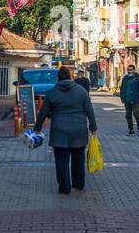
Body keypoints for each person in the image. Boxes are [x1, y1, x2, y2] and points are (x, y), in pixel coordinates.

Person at [35, 66, 98, 195]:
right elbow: (89, 111)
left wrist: (37, 128)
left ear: (58, 78)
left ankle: (64, 187)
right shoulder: (81, 91)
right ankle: (78, 184)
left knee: (61, 160)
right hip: (79, 131)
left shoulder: (52, 92)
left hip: (59, 131)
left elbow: (43, 113)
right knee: (78, 159)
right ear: (70, 77)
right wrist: (93, 127)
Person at [118, 62, 139, 137]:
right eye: (128, 70)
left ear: (134, 70)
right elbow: (122, 88)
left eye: (131, 70)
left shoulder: (138, 78)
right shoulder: (125, 78)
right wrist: (122, 97)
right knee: (128, 115)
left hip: (134, 100)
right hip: (127, 100)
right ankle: (131, 130)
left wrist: (137, 95)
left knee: (136, 115)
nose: (129, 71)